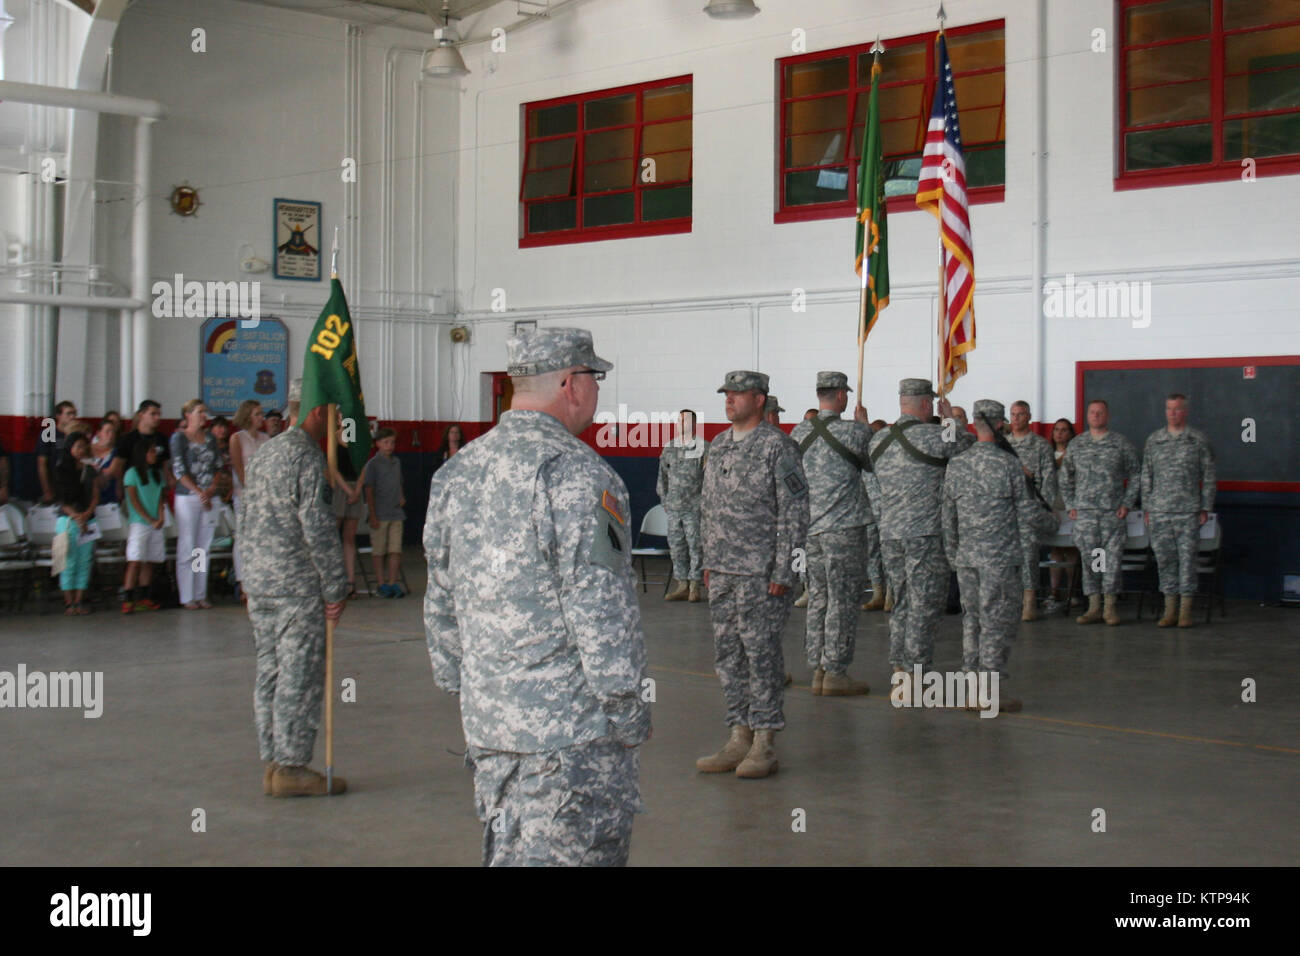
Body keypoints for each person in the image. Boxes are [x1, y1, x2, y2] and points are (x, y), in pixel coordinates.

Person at [423, 327, 650, 866]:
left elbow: (441, 598)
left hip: (490, 726)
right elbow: (601, 614)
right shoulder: (577, 474)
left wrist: (468, 688)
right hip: (571, 737)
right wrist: (628, 712)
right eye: (594, 378)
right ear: (571, 384)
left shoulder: (457, 472)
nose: (597, 390)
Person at [240, 379, 349, 798]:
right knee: (299, 675)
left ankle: (273, 759)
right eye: (335, 414)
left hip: (262, 581)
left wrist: (247, 575)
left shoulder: (265, 452)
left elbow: (247, 516)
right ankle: (291, 766)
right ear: (318, 411)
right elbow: (317, 528)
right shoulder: (306, 457)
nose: (339, 423)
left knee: (268, 671)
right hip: (296, 585)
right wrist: (336, 587)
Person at [697, 370, 808, 779]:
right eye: (726, 393)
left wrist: (786, 569)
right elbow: (707, 506)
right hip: (723, 570)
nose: (729, 400)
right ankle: (738, 734)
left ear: (760, 399)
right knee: (728, 655)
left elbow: (796, 514)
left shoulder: (779, 448)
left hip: (762, 574)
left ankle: (764, 740)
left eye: (738, 394)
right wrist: (709, 561)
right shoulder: (720, 445)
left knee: (762, 655)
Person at [868, 379, 973, 686]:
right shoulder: (936, 435)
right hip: (925, 533)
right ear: (927, 404)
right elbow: (963, 445)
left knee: (900, 600)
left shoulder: (878, 440)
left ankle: (898, 664)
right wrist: (950, 419)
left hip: (890, 533)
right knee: (924, 604)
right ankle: (916, 670)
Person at [790, 371, 873, 696]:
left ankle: (817, 669)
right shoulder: (854, 433)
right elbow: (872, 464)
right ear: (841, 396)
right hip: (844, 530)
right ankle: (836, 671)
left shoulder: (798, 432)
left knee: (818, 598)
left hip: (811, 530)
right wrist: (864, 426)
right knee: (843, 600)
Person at [941, 400, 1026, 713]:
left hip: (966, 558)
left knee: (972, 622)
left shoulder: (957, 464)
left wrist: (954, 554)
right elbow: (1027, 513)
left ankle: (973, 688)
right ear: (1000, 424)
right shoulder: (1009, 464)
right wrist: (1052, 522)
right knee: (996, 622)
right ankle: (990, 692)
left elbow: (947, 516)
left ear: (976, 424)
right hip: (999, 558)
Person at [1059, 399, 1140, 626]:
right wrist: (1070, 504)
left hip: (1112, 513)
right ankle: (1094, 606)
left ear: (1108, 416)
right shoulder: (1077, 444)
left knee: (1111, 561)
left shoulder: (1120, 443)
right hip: (1085, 514)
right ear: (1087, 416)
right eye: (1092, 412)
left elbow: (1136, 474)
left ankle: (1110, 607)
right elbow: (1066, 477)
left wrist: (1127, 503)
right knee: (1091, 559)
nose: (1095, 416)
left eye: (1100, 412)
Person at [1141, 394, 1216, 629]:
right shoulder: (1154, 440)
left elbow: (1210, 476)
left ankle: (1185, 612)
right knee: (1165, 561)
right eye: (1169, 409)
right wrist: (1147, 507)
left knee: (1187, 561)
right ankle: (1169, 610)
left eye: (1177, 409)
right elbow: (1146, 476)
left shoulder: (1198, 440)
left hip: (1188, 511)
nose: (1172, 413)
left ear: (1185, 411)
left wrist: (1205, 506)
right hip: (1160, 511)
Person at [1005, 400, 1057, 621]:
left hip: (1030, 508)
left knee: (1028, 557)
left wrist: (1044, 507)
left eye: (1020, 414)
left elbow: (1049, 480)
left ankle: (1029, 603)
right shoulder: (1003, 446)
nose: (1016, 419)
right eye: (1013, 414)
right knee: (1006, 559)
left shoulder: (1040, 445)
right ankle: (1010, 602)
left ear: (1029, 417)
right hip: (1005, 511)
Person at [170, 399, 221, 610]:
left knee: (203, 547)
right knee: (188, 544)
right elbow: (179, 470)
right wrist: (198, 491)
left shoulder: (210, 439)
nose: (204, 416)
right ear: (188, 414)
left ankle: (200, 593)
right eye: (200, 412)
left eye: (205, 412)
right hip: (188, 496)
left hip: (209, 496)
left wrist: (210, 490)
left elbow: (218, 467)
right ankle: (187, 595)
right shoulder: (179, 438)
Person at [657, 409, 709, 602]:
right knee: (677, 546)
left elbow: (710, 479)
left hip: (695, 508)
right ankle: (682, 585)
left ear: (694, 424)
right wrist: (665, 500)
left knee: (696, 546)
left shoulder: (704, 448)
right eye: (679, 421)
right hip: (674, 509)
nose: (682, 424)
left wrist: (705, 504)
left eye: (686, 421)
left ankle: (695, 586)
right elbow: (662, 477)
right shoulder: (669, 448)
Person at [53, 431, 99, 615]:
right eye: (78, 447)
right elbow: (61, 501)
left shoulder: (89, 469)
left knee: (85, 561)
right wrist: (77, 517)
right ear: (69, 448)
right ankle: (68, 602)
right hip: (68, 521)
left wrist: (87, 514)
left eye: (84, 447)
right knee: (69, 561)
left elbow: (95, 495)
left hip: (89, 519)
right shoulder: (61, 470)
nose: (81, 450)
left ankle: (79, 600)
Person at [231, 400, 271, 597]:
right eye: (257, 414)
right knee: (243, 538)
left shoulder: (265, 438)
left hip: (264, 495)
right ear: (247, 416)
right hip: (245, 495)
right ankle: (243, 581)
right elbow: (239, 468)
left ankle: (260, 579)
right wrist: (251, 490)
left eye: (261, 414)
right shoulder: (237, 438)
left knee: (262, 539)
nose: (261, 418)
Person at [121, 440, 166, 614]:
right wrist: (149, 519)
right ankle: (128, 597)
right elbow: (134, 500)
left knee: (150, 560)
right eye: (151, 451)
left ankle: (145, 596)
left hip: (156, 521)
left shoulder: (157, 474)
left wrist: (161, 517)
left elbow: (161, 498)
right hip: (139, 522)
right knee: (135, 559)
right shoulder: (132, 474)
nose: (154, 454)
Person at [364, 428, 406, 598]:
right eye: (386, 442)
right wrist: (373, 514)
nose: (390, 446)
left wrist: (401, 496)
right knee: (379, 551)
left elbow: (399, 482)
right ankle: (381, 583)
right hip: (380, 513)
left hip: (396, 513)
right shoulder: (373, 464)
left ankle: (392, 582)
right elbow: (369, 490)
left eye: (392, 442)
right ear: (378, 444)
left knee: (395, 549)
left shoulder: (396, 462)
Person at [1045, 418, 1078, 611]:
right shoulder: (1047, 453)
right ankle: (1054, 591)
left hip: (1071, 506)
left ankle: (1072, 591)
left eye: (1064, 430)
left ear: (1071, 434)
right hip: (1053, 506)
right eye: (1056, 430)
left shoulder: (1076, 454)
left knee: (1072, 549)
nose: (1059, 433)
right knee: (1055, 550)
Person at [109, 400, 171, 491]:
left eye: (159, 414)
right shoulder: (128, 439)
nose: (157, 418)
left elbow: (165, 465)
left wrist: (167, 484)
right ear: (141, 415)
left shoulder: (162, 438)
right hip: (134, 485)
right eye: (153, 414)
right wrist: (120, 487)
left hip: (156, 484)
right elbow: (119, 466)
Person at [37, 400, 80, 503]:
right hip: (55, 484)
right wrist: (47, 491)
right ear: (58, 416)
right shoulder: (49, 434)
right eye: (69, 413)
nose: (72, 417)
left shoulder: (77, 434)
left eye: (74, 413)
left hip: (73, 484)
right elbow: (42, 463)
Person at [90, 419, 120, 505]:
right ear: (99, 433)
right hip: (89, 495)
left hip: (109, 495)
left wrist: (95, 470)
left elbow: (111, 472)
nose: (111, 435)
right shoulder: (88, 449)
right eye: (107, 431)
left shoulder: (116, 452)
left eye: (113, 432)